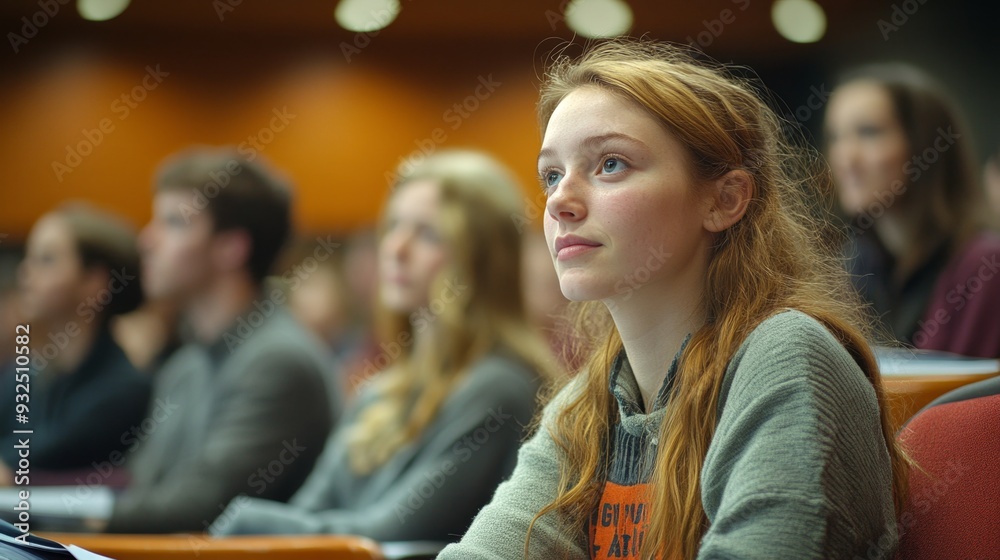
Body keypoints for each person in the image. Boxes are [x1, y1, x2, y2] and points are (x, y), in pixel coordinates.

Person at [439, 40, 907, 559]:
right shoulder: (587, 402)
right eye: (551, 174)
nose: (559, 202)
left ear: (724, 199)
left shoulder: (788, 358)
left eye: (610, 164)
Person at [209, 150, 561, 543]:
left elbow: (390, 535)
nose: (396, 249)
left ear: (481, 259)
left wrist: (244, 520)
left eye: (427, 234)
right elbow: (307, 515)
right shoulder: (379, 392)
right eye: (394, 226)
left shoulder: (499, 386)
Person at [98, 147, 336, 533]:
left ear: (232, 248)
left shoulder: (279, 361)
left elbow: (198, 509)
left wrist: (35, 511)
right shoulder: (186, 366)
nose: (147, 240)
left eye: (173, 222)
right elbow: (139, 486)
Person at [825, 63, 1000, 357]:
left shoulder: (986, 266)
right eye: (835, 137)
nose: (845, 157)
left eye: (868, 132)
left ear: (923, 143)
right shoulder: (852, 266)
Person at [0, 204, 150, 485]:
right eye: (28, 257)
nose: (25, 272)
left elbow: (41, 456)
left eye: (46, 260)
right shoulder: (23, 375)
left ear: (94, 282)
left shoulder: (124, 390)